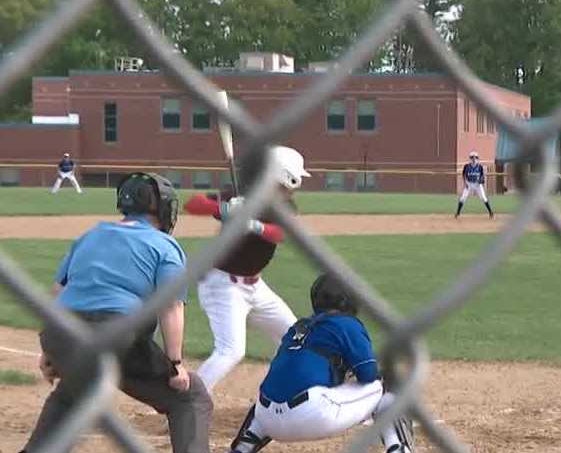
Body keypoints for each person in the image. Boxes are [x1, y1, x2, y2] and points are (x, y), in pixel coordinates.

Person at [22, 172, 211, 453]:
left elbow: (57, 295)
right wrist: (175, 363)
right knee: (190, 396)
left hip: (60, 332)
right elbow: (171, 307)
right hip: (116, 332)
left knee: (75, 389)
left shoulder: (91, 235)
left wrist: (50, 350)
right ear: (161, 208)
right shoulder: (165, 246)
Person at [227, 274, 415, 453]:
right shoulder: (348, 324)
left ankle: (241, 448)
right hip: (313, 415)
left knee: (272, 393)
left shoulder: (298, 327)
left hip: (267, 420)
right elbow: (368, 374)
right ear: (346, 300)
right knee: (389, 383)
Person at [182, 146, 310, 392]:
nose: (294, 188)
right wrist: (224, 209)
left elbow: (280, 233)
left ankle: (285, 389)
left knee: (295, 336)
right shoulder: (239, 195)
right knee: (231, 351)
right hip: (222, 285)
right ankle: (188, 401)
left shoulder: (285, 206)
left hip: (256, 287)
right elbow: (193, 204)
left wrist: (251, 223)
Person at [455, 151, 494, 219]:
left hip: (477, 184)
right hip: (469, 184)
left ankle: (491, 213)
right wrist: (465, 183)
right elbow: (464, 175)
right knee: (463, 198)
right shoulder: (466, 166)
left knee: (483, 198)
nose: (474, 159)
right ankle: (457, 214)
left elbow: (482, 175)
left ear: (477, 158)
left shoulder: (480, 167)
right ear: (470, 158)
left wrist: (481, 181)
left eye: (475, 157)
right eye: (472, 157)